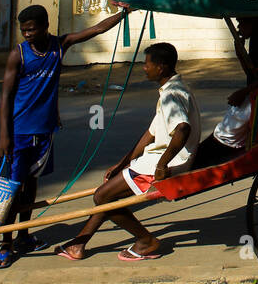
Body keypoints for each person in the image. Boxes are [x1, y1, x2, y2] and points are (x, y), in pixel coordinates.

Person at [0, 0, 129, 269]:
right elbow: (6, 96)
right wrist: (4, 135)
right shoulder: (18, 54)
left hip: (44, 132)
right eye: (24, 30)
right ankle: (5, 245)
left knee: (31, 186)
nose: (27, 34)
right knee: (12, 191)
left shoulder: (59, 45)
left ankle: (24, 235)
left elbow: (98, 29)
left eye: (31, 29)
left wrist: (123, 13)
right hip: (19, 132)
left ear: (45, 27)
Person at [57, 42, 200, 261]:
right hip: (153, 160)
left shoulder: (171, 95)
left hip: (162, 165)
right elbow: (150, 134)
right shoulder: (172, 90)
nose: (144, 68)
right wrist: (124, 163)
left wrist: (162, 165)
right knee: (109, 195)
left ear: (160, 67)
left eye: (147, 64)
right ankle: (78, 245)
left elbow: (182, 128)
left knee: (102, 195)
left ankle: (146, 241)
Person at [193, 17, 258, 168]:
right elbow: (254, 73)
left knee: (228, 130)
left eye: (241, 23)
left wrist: (243, 92)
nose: (239, 27)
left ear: (252, 22)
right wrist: (240, 53)